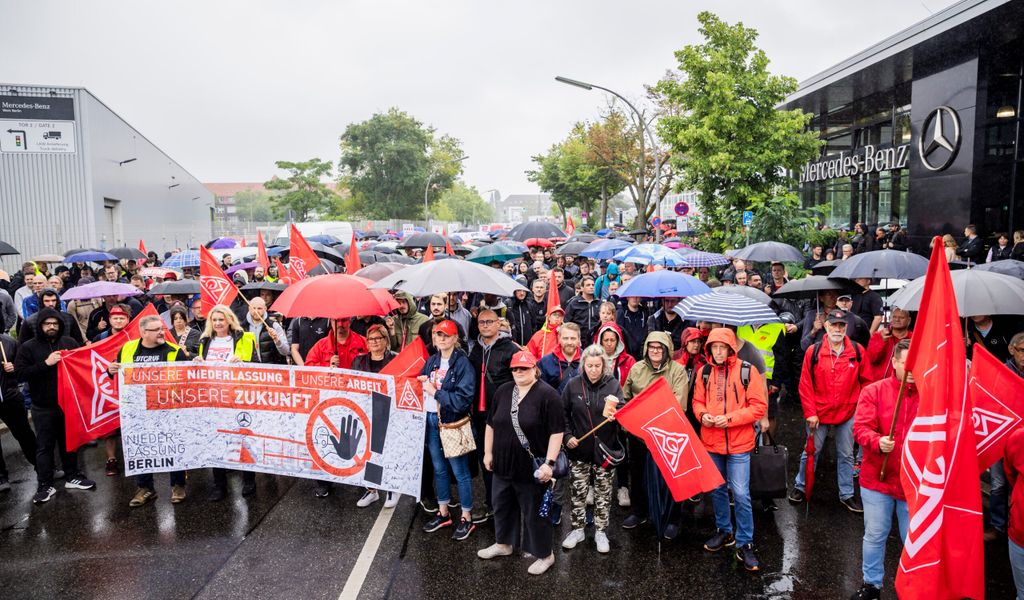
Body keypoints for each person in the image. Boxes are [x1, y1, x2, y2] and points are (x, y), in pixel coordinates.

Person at [478, 350, 564, 575]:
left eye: (524, 368)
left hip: (531, 468)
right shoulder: (504, 391)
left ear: (535, 369)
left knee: (535, 513)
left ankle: (546, 554)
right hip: (502, 464)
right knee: (502, 505)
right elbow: (491, 424)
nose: (519, 372)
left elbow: (557, 432)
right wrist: (488, 453)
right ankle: (503, 544)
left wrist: (549, 463)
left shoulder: (548, 395)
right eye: (515, 368)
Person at [691, 327, 767, 571]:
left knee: (742, 494)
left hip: (739, 443)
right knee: (717, 490)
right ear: (709, 349)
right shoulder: (704, 372)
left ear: (731, 348)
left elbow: (758, 406)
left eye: (723, 347)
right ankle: (725, 531)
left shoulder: (747, 370)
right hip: (711, 442)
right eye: (715, 347)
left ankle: (745, 542)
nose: (719, 351)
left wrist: (731, 419)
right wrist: (703, 416)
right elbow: (697, 401)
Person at [848, 338, 916, 600]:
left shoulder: (931, 395)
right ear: (896, 362)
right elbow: (860, 428)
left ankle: (911, 587)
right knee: (875, 534)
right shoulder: (874, 391)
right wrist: (877, 441)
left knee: (912, 540)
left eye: (916, 364)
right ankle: (871, 584)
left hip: (913, 483)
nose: (911, 371)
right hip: (878, 478)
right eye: (906, 364)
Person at [790, 309, 869, 513]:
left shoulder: (857, 351)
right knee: (810, 452)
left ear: (846, 328)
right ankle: (801, 485)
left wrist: (860, 410)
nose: (838, 329)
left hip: (848, 412)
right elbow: (805, 385)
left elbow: (867, 383)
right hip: (819, 412)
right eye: (833, 324)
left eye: (841, 326)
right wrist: (810, 413)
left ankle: (847, 494)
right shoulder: (813, 351)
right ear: (826, 326)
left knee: (846, 454)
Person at [14, 308, 96, 504]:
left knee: (69, 442)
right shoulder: (28, 347)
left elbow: (84, 364)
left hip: (68, 404)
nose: (51, 327)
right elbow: (20, 374)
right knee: (44, 447)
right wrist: (46, 363)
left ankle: (72, 476)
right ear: (40, 326)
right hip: (43, 406)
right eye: (47, 324)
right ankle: (45, 484)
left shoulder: (69, 343)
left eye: (55, 323)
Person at [108, 314, 189, 506]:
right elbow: (118, 372)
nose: (162, 332)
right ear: (143, 332)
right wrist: (110, 369)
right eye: (156, 330)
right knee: (141, 447)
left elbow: (186, 381)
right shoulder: (127, 349)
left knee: (171, 446)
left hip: (168, 409)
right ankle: (145, 488)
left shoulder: (174, 351)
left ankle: (178, 485)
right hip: (138, 410)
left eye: (162, 328)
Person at [620, 331, 688, 531]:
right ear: (646, 349)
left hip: (666, 434)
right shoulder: (636, 369)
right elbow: (626, 398)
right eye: (652, 347)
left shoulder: (677, 371)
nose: (655, 351)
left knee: (670, 477)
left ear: (667, 349)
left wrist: (653, 418)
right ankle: (639, 512)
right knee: (638, 473)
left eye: (660, 348)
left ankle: (672, 518)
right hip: (639, 434)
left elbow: (678, 404)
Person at [561, 345, 622, 554]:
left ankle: (601, 531)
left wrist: (618, 416)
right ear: (583, 365)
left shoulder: (613, 385)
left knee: (603, 493)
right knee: (577, 492)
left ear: (604, 365)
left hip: (605, 450)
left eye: (598, 366)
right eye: (590, 366)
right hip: (579, 450)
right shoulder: (573, 385)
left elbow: (623, 411)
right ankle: (577, 529)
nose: (594, 370)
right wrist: (567, 436)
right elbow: (563, 414)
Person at [419, 320, 476, 541]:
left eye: (445, 335)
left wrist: (435, 392)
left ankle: (466, 516)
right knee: (439, 469)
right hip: (432, 420)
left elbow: (463, 400)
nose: (440, 338)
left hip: (453, 423)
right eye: (437, 334)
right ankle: (443, 513)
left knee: (460, 471)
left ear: (455, 338)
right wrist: (422, 382)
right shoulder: (431, 361)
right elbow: (423, 385)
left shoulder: (462, 364)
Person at [195, 305, 259, 501]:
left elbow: (257, 366)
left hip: (238, 396)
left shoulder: (245, 338)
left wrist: (243, 363)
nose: (217, 323)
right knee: (216, 440)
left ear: (230, 320)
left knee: (243, 437)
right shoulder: (205, 340)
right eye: (214, 320)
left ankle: (249, 480)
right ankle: (219, 485)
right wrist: (197, 362)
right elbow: (202, 369)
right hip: (214, 398)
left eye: (221, 319)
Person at [467, 309, 518, 522]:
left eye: (489, 321)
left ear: (498, 324)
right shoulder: (475, 350)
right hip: (480, 415)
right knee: (485, 460)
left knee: (505, 461)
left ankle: (510, 505)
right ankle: (490, 503)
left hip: (502, 416)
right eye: (481, 322)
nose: (485, 325)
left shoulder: (510, 349)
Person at [349, 324, 400, 508]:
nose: (375, 342)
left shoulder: (395, 359)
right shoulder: (359, 361)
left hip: (389, 413)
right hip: (366, 412)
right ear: (367, 342)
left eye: (379, 338)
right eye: (371, 339)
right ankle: (372, 490)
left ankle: (391, 488)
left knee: (388, 451)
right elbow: (352, 383)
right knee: (369, 452)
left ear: (386, 340)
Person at [0, 332, 37, 492]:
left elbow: (23, 370)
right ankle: (1, 477)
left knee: (25, 434)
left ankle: (42, 466)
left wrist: (13, 369)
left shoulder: (8, 342)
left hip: (10, 397)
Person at [18, 288, 85, 345]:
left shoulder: (68, 318)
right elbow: (23, 347)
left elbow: (78, 342)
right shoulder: (30, 321)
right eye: (47, 301)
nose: (51, 304)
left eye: (53, 300)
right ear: (41, 302)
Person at [865, 308, 913, 382]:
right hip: (880, 384)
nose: (897, 320)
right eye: (894, 317)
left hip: (904, 384)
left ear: (909, 320)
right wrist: (882, 341)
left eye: (901, 317)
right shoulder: (878, 336)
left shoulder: (914, 339)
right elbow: (871, 358)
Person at [538, 323, 582, 394]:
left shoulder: (588, 360)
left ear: (579, 340)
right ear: (559, 339)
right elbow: (540, 391)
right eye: (565, 338)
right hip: (555, 404)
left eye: (573, 338)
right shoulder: (545, 362)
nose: (569, 342)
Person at [244, 297, 289, 364]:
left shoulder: (274, 325)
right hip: (250, 370)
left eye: (259, 308)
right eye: (253, 308)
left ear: (265, 308)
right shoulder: (242, 328)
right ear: (249, 308)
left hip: (271, 369)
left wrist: (277, 339)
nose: (256, 311)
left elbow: (286, 351)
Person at [565, 276, 602, 346]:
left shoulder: (600, 303)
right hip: (579, 341)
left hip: (596, 341)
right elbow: (566, 322)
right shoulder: (573, 303)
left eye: (593, 285)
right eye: (588, 285)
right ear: (582, 288)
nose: (591, 287)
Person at [616, 295, 649, 360]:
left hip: (642, 355)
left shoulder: (645, 313)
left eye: (637, 296)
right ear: (627, 297)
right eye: (632, 296)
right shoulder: (621, 313)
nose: (635, 298)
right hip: (626, 355)